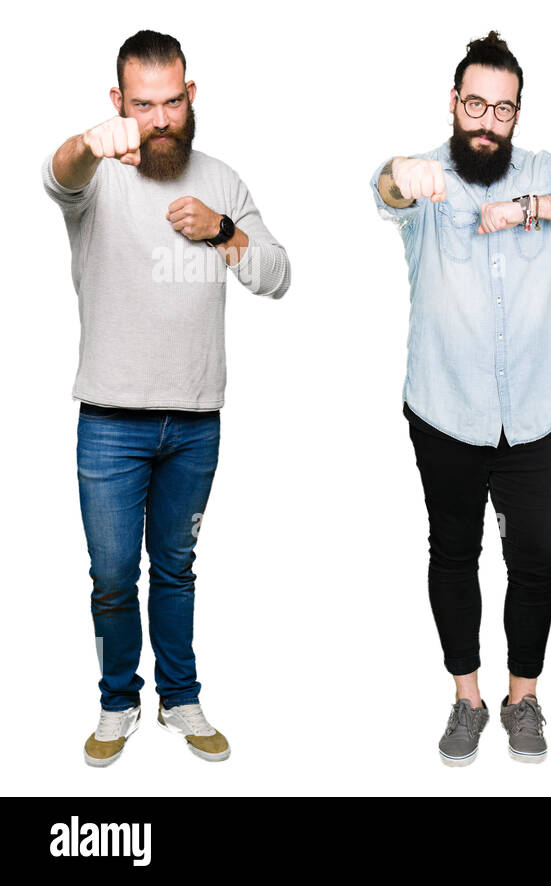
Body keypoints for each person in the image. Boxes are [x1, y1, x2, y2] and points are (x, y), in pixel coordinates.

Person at [371, 31, 551, 766]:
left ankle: (524, 699)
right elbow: (384, 189)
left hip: (533, 415)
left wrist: (533, 206)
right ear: (453, 102)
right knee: (453, 555)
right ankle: (468, 700)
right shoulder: (426, 177)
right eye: (475, 105)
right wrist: (402, 175)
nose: (487, 122)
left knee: (535, 563)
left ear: (517, 114)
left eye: (503, 109)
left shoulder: (542, 171)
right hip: (445, 413)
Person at [44, 30, 291, 767]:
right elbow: (56, 176)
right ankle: (118, 702)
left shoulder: (221, 180)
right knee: (114, 578)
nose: (159, 120)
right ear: (119, 103)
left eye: (172, 102)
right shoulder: (97, 175)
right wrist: (89, 143)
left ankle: (179, 699)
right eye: (142, 105)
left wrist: (223, 233)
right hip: (110, 423)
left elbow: (278, 275)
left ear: (192, 98)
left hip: (194, 420)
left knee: (177, 567)